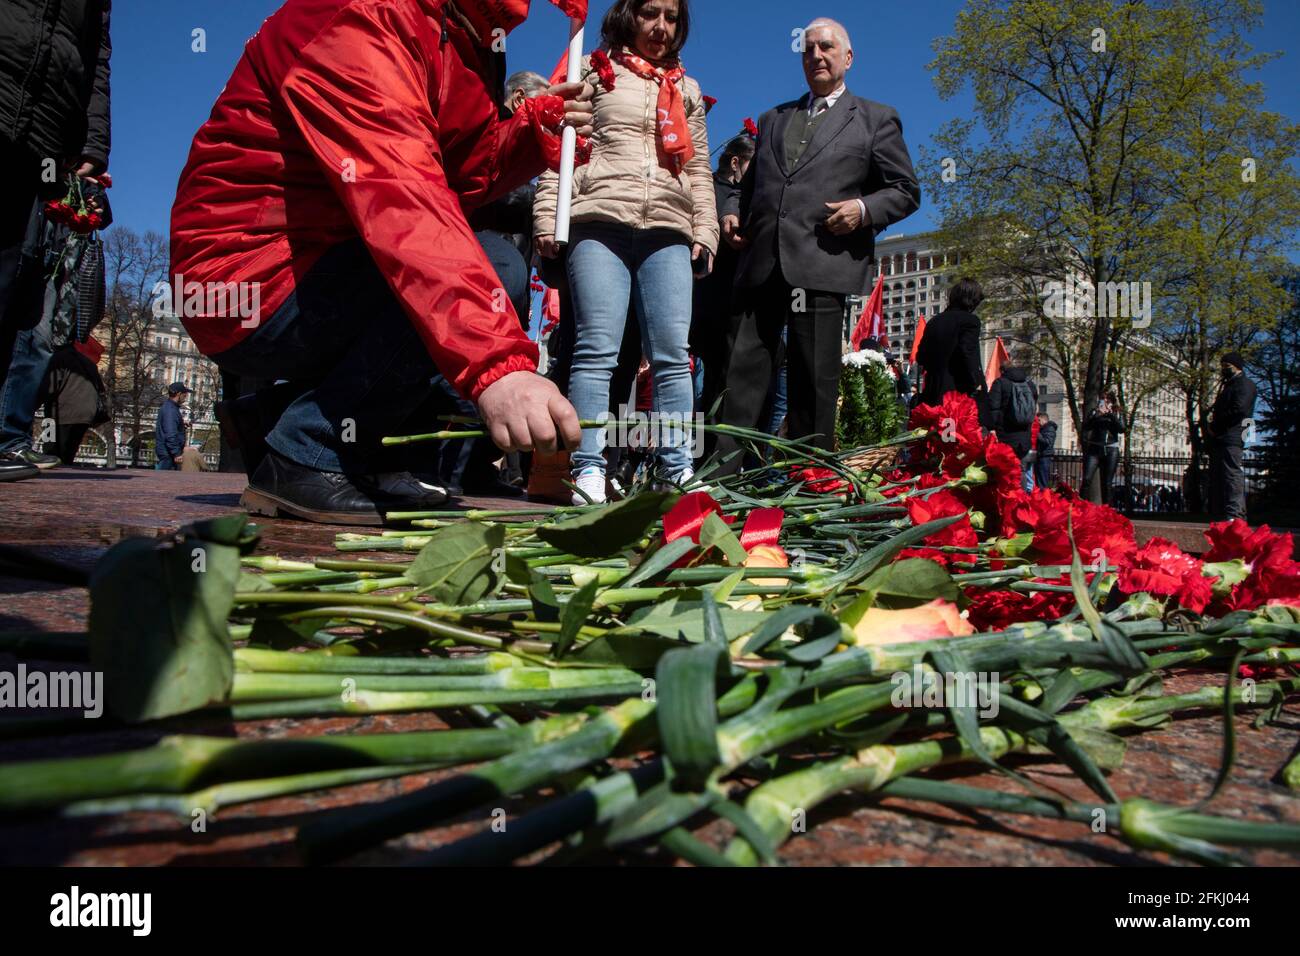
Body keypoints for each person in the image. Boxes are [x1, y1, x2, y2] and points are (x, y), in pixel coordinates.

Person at [170, 0, 592, 525]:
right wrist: (498, 367)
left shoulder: (466, 35)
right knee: (494, 270)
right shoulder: (363, 15)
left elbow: (458, 174)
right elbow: (403, 197)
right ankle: (307, 452)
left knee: (481, 271)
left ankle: (279, 423)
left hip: (320, 258)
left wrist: (532, 133)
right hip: (248, 269)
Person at [713, 17, 920, 469]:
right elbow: (743, 191)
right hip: (761, 262)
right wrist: (730, 212)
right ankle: (724, 482)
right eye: (807, 49)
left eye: (826, 47)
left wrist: (862, 210)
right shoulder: (773, 120)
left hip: (823, 265)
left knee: (813, 381)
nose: (816, 56)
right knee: (742, 375)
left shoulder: (875, 119)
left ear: (847, 58)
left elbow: (905, 190)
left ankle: (805, 484)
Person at [534, 0, 718, 504]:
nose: (660, 27)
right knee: (596, 350)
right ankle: (589, 468)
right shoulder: (592, 71)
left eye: (672, 17)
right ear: (628, 16)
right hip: (599, 222)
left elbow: (699, 168)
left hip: (668, 228)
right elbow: (562, 144)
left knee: (673, 357)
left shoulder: (687, 88)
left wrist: (706, 231)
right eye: (649, 13)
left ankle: (676, 469)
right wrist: (549, 215)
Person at [0, 0, 112, 483]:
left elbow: (96, 53)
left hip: (43, 129)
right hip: (12, 100)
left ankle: (6, 438)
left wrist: (92, 139)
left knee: (16, 286)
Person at [691, 133, 755, 427]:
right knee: (706, 380)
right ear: (735, 162)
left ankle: (708, 451)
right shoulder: (711, 193)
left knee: (720, 380)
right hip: (707, 297)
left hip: (729, 300)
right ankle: (698, 452)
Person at [915, 278, 987, 411]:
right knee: (953, 430)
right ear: (972, 300)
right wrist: (976, 382)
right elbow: (968, 353)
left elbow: (921, 357)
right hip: (956, 395)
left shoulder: (933, 321)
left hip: (932, 393)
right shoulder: (970, 321)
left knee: (936, 431)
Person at [38, 338, 109, 464]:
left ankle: (53, 476)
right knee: (69, 452)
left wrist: (33, 403)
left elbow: (50, 386)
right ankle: (65, 469)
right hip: (85, 415)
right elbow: (101, 389)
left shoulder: (59, 358)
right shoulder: (90, 363)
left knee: (50, 450)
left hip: (59, 412)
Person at [1207, 351, 1257, 521]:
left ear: (1236, 366)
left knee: (1231, 474)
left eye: (1226, 366)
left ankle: (1235, 514)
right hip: (1225, 435)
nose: (1223, 369)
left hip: (1233, 435)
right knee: (1223, 475)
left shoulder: (1244, 385)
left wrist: (1216, 424)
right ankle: (1226, 512)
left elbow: (1239, 409)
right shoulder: (1231, 385)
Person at [987, 352, 1038, 490]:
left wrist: (992, 428)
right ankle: (1021, 497)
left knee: (1003, 470)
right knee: (1020, 469)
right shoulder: (1029, 384)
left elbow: (993, 407)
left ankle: (1008, 497)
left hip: (1005, 434)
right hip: (1024, 436)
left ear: (1002, 370)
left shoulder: (1001, 383)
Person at [1081, 392, 1125, 505]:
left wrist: (1111, 415)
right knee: (1086, 478)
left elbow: (1121, 428)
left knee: (1107, 482)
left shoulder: (1117, 412)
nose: (1105, 401)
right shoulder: (1095, 412)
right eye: (1103, 399)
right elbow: (1086, 426)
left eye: (1108, 400)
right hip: (1095, 448)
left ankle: (1107, 509)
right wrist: (1096, 414)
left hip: (1111, 449)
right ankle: (1081, 506)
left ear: (1112, 401)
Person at [155, 383, 190, 471]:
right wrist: (176, 453)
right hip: (168, 453)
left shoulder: (170, 408)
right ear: (178, 394)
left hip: (168, 452)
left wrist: (181, 424)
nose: (185, 396)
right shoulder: (171, 410)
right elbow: (170, 433)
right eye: (184, 394)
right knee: (163, 481)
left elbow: (169, 426)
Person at [1033, 409, 1057, 491]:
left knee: (1043, 478)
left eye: (1038, 420)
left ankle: (1044, 495)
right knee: (1039, 478)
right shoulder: (1043, 429)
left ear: (1044, 419)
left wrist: (1037, 434)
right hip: (1040, 455)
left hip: (1045, 456)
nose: (1037, 422)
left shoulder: (1049, 428)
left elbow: (1047, 442)